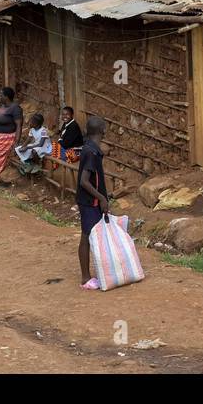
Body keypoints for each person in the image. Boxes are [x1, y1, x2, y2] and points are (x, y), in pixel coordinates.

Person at [76, 116, 110, 291]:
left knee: (91, 236)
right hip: (89, 201)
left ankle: (94, 273)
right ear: (102, 131)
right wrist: (102, 198)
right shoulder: (90, 152)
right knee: (86, 237)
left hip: (92, 200)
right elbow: (84, 181)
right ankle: (85, 277)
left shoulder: (92, 149)